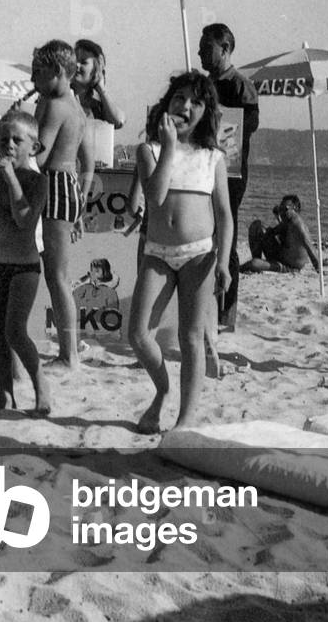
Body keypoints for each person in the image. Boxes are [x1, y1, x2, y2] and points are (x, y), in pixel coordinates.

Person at [128, 70, 232, 434]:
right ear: (167, 102)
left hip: (200, 255)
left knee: (191, 337)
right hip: (157, 252)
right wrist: (169, 147)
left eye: (196, 102)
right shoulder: (149, 150)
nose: (186, 106)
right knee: (138, 334)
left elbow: (224, 215)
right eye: (179, 98)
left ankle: (186, 418)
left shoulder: (212, 157)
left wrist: (225, 260)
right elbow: (154, 198)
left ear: (206, 113)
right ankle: (163, 390)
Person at [0, 110, 50, 418]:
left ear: (33, 147)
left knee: (15, 330)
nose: (9, 145)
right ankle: (5, 396)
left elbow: (24, 220)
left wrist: (11, 180)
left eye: (17, 140)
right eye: (3, 139)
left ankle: (41, 387)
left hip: (24, 268)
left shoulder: (37, 182)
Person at [31, 39, 91, 370]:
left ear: (56, 71)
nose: (32, 81)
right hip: (66, 185)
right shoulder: (76, 107)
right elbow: (85, 161)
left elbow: (39, 157)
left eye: (37, 73)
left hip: (53, 184)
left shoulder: (55, 106)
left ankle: (69, 354)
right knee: (59, 276)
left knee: (57, 276)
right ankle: (70, 350)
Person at [198, 23, 258, 331]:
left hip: (231, 170)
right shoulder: (201, 84)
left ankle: (227, 311)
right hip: (204, 167)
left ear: (225, 49)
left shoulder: (240, 85)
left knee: (226, 235)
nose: (199, 52)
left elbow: (247, 127)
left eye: (206, 47)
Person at [245, 195, 321, 273]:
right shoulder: (288, 221)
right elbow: (272, 232)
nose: (282, 212)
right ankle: (257, 265)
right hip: (281, 256)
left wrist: (319, 269)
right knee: (257, 225)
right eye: (280, 209)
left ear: (295, 209)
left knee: (254, 263)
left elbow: (310, 248)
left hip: (289, 266)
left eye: (285, 209)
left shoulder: (298, 225)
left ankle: (250, 267)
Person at [72, 39, 126, 128]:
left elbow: (118, 121)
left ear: (96, 69)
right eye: (75, 61)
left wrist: (101, 90)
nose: (77, 65)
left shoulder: (98, 106)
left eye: (83, 62)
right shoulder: (65, 96)